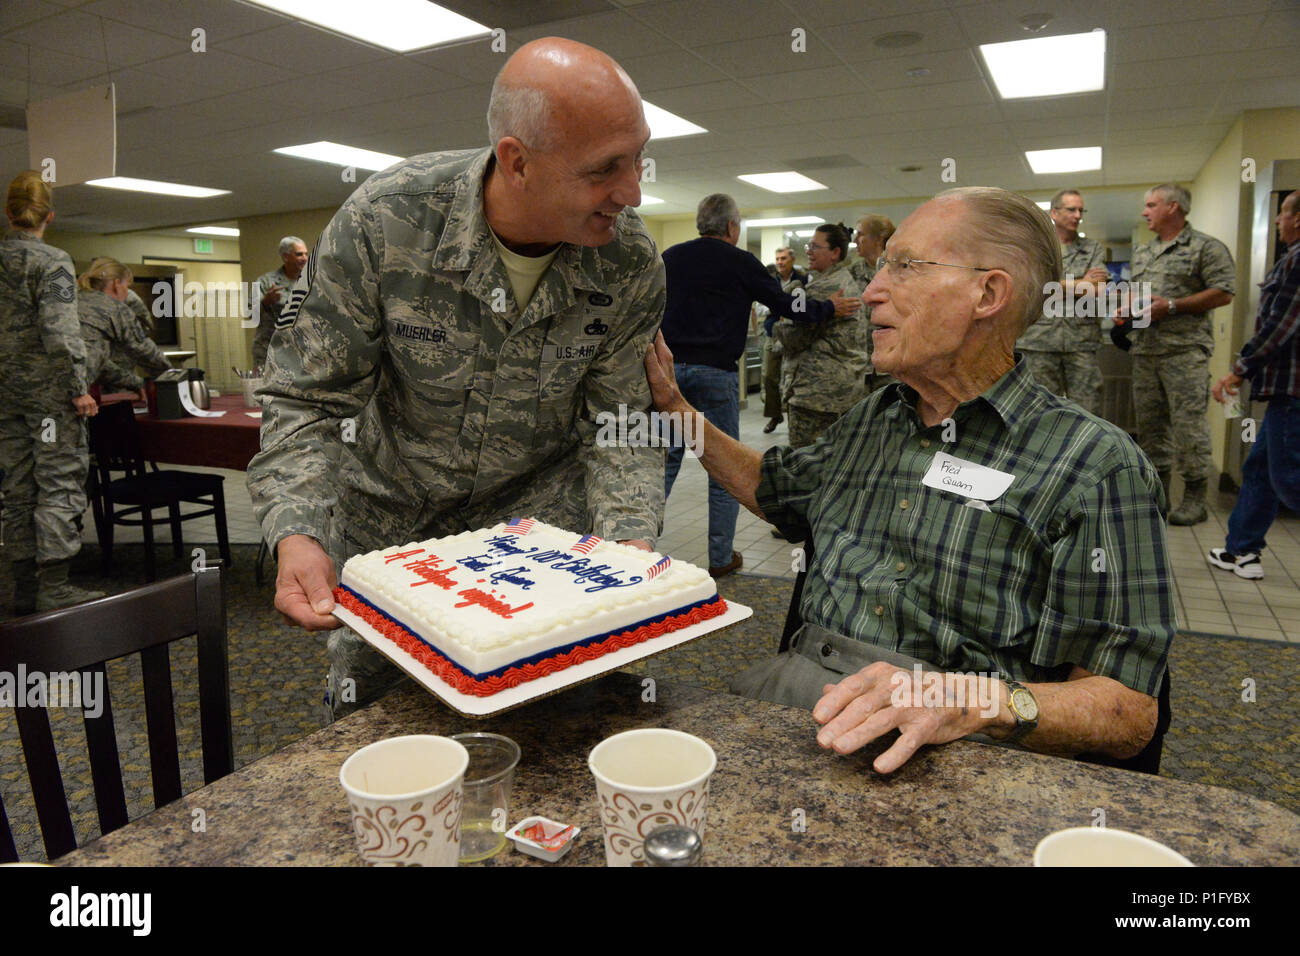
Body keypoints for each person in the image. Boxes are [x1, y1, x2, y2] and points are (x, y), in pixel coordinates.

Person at [644, 187, 1175, 775]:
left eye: (904, 267)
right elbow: (776, 489)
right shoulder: (875, 417)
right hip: (800, 698)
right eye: (880, 267)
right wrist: (676, 410)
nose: (872, 292)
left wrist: (974, 701)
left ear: (989, 293)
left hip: (955, 742)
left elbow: (1129, 712)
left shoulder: (1095, 465)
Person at [247, 38, 669, 720]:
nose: (633, 190)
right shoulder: (388, 221)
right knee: (381, 736)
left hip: (542, 549)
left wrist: (627, 550)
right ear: (517, 161)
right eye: (604, 169)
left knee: (553, 735)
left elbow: (617, 424)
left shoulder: (628, 263)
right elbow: (306, 399)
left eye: (639, 156)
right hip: (395, 545)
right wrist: (297, 528)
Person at [660, 196, 858, 578]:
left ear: (702, 223)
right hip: (716, 375)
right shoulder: (740, 262)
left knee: (663, 463)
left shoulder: (671, 257)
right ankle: (720, 558)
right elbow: (786, 306)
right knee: (720, 465)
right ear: (732, 228)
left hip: (670, 376)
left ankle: (641, 549)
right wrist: (828, 308)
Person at [0, 170, 103, 617]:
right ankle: (54, 584)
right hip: (49, 400)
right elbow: (60, 330)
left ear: (8, 213)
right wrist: (78, 389)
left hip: (5, 398)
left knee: (16, 487)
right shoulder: (55, 263)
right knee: (58, 483)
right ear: (50, 216)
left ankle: (22, 586)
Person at [1127, 183, 1236, 525]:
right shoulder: (1143, 253)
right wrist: (1129, 309)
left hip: (1185, 353)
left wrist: (1172, 306)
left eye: (1151, 205)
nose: (1145, 212)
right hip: (1145, 351)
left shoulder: (1206, 247)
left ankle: (1194, 497)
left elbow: (1224, 292)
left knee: (1189, 426)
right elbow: (1139, 296)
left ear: (1173, 207)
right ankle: (1156, 493)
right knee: (1150, 426)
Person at [1207, 190, 1300, 579]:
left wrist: (1239, 368)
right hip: (1283, 390)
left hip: (1294, 393)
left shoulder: (1298, 260)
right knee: (1260, 468)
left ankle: (1242, 548)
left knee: (1290, 479)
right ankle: (1241, 551)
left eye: (1282, 213)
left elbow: (1281, 324)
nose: (1278, 220)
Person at [772, 222, 868, 449]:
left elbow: (792, 339)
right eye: (808, 245)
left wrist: (780, 325)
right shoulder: (843, 280)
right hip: (841, 392)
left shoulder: (824, 290)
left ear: (835, 253)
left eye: (815, 246)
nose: (808, 251)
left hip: (815, 395)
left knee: (806, 465)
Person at [1017, 189, 1111, 414]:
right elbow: (1027, 286)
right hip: (1038, 343)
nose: (1077, 215)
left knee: (1088, 411)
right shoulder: (1034, 247)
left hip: (1081, 343)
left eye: (1081, 210)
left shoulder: (1092, 248)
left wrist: (1051, 284)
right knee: (1039, 411)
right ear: (1055, 213)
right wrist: (1079, 284)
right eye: (1071, 209)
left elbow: (1097, 289)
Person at [77, 258, 172, 391]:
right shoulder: (115, 308)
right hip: (77, 391)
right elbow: (145, 351)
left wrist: (136, 383)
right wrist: (174, 377)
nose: (127, 292)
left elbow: (96, 362)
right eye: (127, 286)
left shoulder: (71, 301)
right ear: (116, 284)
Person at [761, 246, 805, 434]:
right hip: (773, 336)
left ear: (792, 260)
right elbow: (762, 308)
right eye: (777, 258)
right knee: (769, 376)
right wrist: (780, 308)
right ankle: (774, 415)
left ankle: (795, 416)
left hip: (795, 337)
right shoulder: (769, 281)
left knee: (793, 377)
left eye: (783, 258)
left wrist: (781, 309)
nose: (779, 262)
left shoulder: (802, 280)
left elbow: (801, 307)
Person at [852, 214, 897, 394]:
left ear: (878, 238)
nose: (855, 240)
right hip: (858, 366)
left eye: (861, 234)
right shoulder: (850, 273)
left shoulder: (901, 269)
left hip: (892, 363)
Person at [250, 236, 308, 369]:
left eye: (305, 253)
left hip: (302, 350)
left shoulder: (311, 282)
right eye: (299, 254)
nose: (304, 258)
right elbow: (250, 315)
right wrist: (265, 302)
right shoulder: (265, 282)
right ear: (286, 257)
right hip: (271, 351)